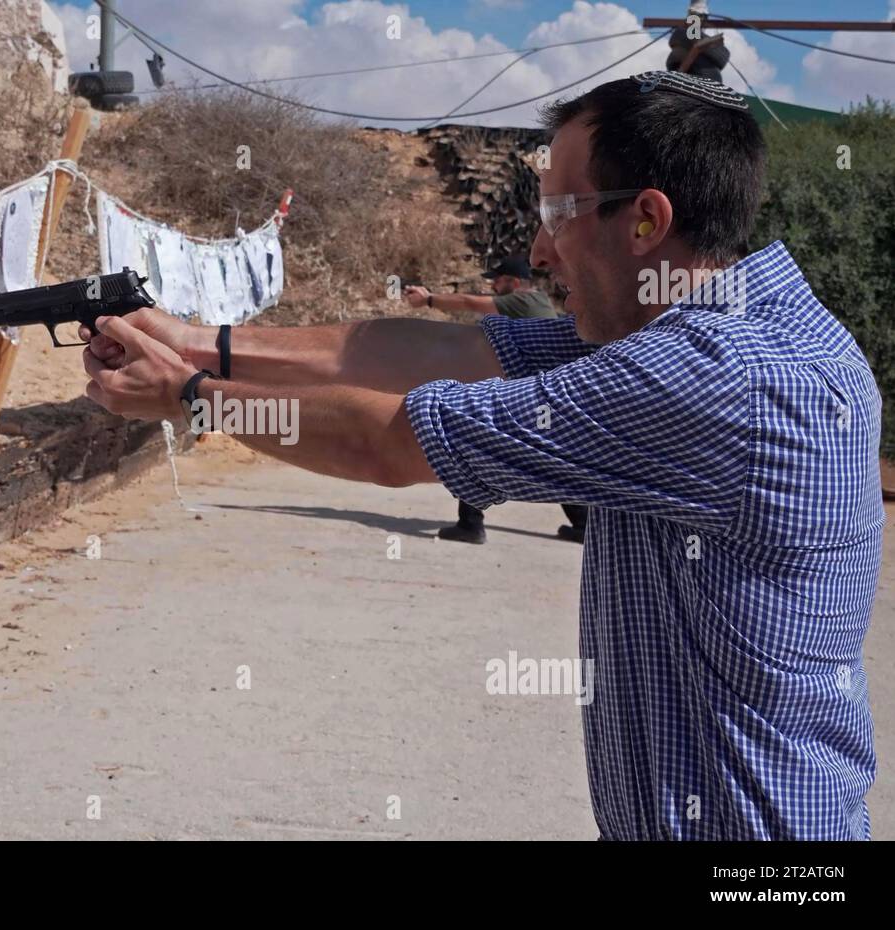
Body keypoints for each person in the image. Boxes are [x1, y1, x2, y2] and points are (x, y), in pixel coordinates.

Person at [78, 73, 882, 840]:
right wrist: (198, 341)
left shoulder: (713, 380)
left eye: (560, 213)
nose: (539, 251)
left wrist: (191, 395)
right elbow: (454, 352)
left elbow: (388, 441)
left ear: (646, 221)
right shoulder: (734, 329)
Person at [403, 255, 588, 544]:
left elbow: (468, 303)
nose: (494, 285)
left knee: (475, 443)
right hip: (543, 399)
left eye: (498, 281)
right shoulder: (533, 303)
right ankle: (583, 524)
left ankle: (470, 525)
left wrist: (428, 300)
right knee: (553, 461)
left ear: (514, 283)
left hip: (533, 397)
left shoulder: (525, 301)